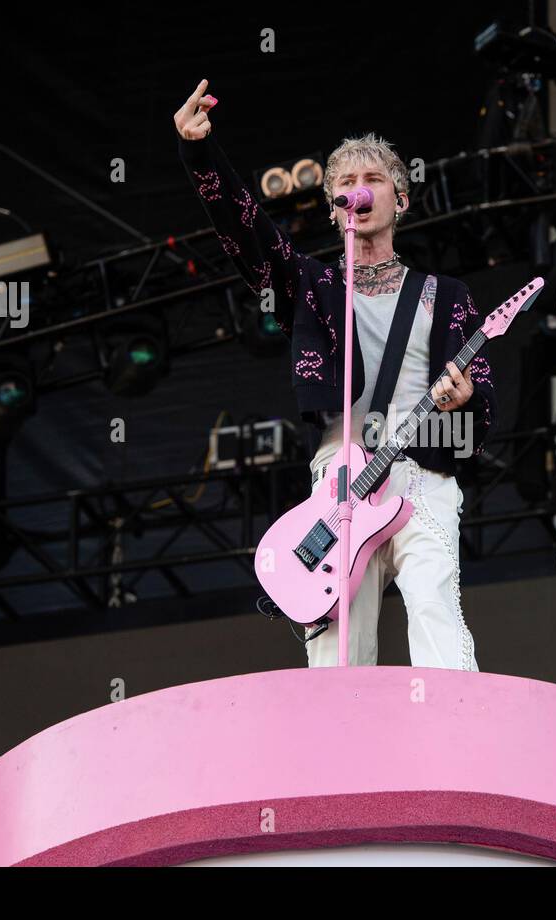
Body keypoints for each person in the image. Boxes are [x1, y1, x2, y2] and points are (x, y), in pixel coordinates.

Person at [174, 79, 496, 671]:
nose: (359, 189)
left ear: (401, 199)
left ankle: (455, 746)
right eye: (345, 183)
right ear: (332, 208)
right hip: (338, 476)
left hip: (421, 470)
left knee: (433, 609)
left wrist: (466, 397)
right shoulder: (313, 286)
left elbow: (484, 401)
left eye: (372, 179)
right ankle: (339, 754)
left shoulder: (445, 296)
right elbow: (248, 235)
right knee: (335, 636)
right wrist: (201, 156)